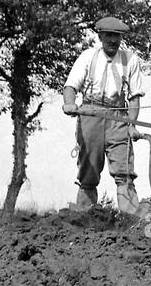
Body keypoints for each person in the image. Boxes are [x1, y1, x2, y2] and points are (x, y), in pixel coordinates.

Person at [62, 15, 145, 214]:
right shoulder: (88, 57)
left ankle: (131, 221)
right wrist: (70, 104)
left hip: (118, 117)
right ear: (100, 36)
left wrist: (132, 125)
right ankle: (84, 217)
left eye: (117, 36)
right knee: (88, 170)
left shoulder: (130, 60)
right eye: (109, 36)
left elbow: (134, 97)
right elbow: (71, 86)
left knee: (124, 171)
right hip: (91, 114)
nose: (113, 41)